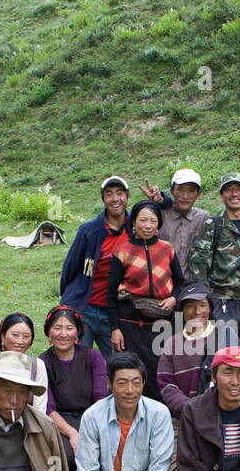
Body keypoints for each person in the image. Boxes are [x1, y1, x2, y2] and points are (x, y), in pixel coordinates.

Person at [65, 353, 192, 471]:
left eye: (135, 383)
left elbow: (160, 469)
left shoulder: (158, 413)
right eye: (122, 383)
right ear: (110, 384)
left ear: (143, 383)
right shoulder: (93, 416)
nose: (130, 390)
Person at [107, 199, 183, 403]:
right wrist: (115, 328)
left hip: (162, 323)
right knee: (133, 370)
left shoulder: (167, 249)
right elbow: (112, 295)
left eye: (153, 220)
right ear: (134, 223)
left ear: (158, 223)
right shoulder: (122, 251)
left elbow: (181, 283)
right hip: (130, 324)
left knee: (161, 371)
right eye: (143, 220)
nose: (148, 225)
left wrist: (174, 298)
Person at [187, 173, 240, 349]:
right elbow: (199, 266)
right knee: (221, 352)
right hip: (220, 302)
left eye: (239, 190)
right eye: (229, 190)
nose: (234, 194)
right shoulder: (212, 226)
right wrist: (206, 303)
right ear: (222, 196)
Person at [58, 174, 129, 356]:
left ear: (127, 197)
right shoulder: (89, 231)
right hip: (85, 308)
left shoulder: (135, 230)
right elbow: (69, 270)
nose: (115, 199)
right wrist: (72, 299)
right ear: (103, 199)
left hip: (114, 312)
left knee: (118, 363)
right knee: (77, 361)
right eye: (109, 194)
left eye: (119, 193)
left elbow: (158, 212)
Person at [157, 282, 240, 419]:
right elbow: (166, 383)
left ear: (210, 308)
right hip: (185, 418)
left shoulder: (224, 335)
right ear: (182, 312)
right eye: (190, 306)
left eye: (202, 305)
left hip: (222, 416)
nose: (197, 312)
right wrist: (189, 408)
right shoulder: (172, 343)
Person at [40, 305, 108, 471]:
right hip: (60, 423)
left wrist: (86, 432)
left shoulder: (93, 356)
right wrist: (72, 434)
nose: (63, 334)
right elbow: (48, 408)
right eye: (57, 328)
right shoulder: (43, 362)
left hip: (92, 419)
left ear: (77, 332)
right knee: (65, 455)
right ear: (49, 332)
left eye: (69, 328)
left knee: (106, 451)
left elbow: (101, 399)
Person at [0, 313, 51, 417]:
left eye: (26, 336)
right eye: (15, 335)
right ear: (2, 336)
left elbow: (40, 409)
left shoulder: (37, 366)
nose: (20, 341)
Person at [141, 168, 209, 279]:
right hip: (161, 281)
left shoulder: (203, 218)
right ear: (172, 191)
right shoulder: (158, 216)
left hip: (191, 284)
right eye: (180, 190)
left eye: (191, 190)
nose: (185, 196)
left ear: (198, 194)